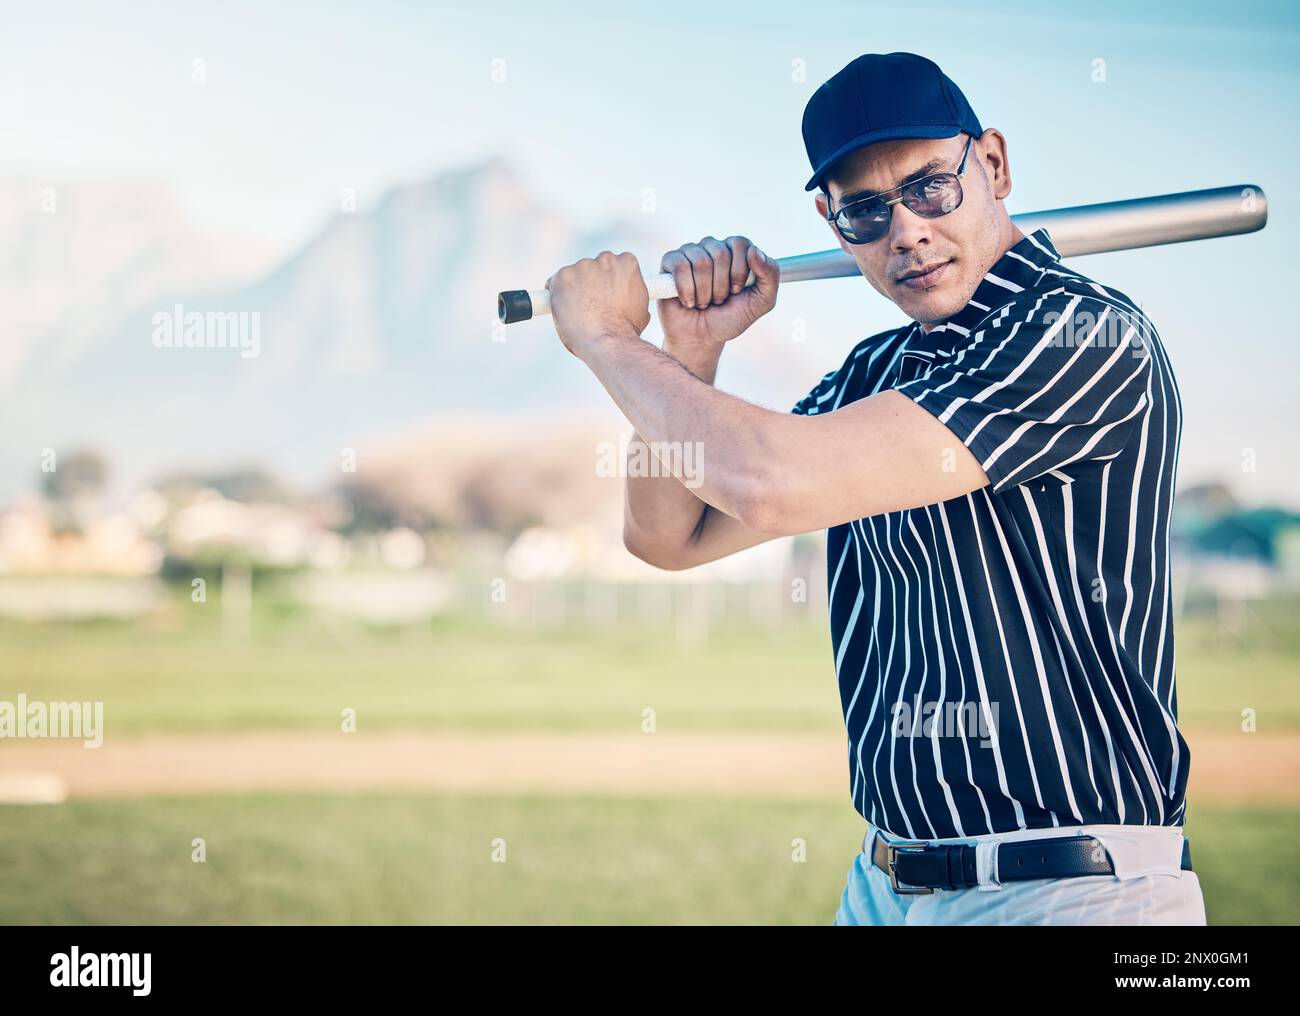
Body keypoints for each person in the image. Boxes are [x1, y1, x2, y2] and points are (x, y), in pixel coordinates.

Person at [543, 51, 1204, 925]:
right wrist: (690, 353)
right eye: (865, 210)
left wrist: (607, 342)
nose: (907, 232)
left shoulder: (1083, 336)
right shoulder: (876, 370)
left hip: (1068, 888)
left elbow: (772, 483)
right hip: (886, 882)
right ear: (832, 221)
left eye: (931, 186)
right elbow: (671, 537)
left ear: (994, 165)